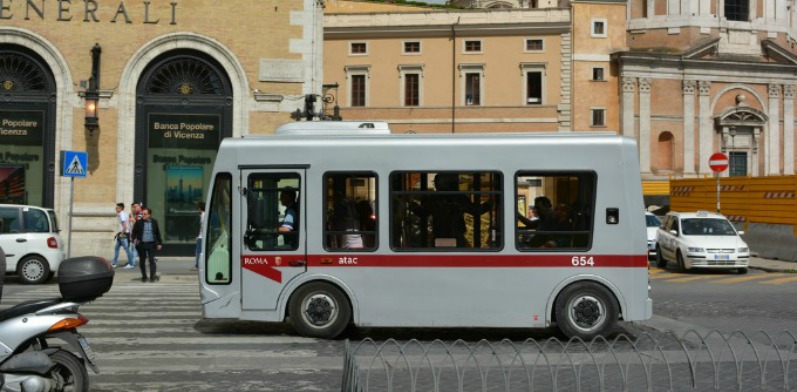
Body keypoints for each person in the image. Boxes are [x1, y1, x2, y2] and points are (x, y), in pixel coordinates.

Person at [132, 207, 163, 283]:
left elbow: (157, 233)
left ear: (149, 215)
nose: (143, 215)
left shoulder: (154, 222)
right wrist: (135, 239)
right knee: (142, 261)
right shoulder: (138, 222)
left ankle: (152, 276)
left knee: (152, 261)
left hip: (151, 244)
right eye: (142, 214)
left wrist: (159, 243)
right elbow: (134, 233)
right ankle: (144, 276)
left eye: (145, 214)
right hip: (142, 244)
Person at [112, 202, 135, 269]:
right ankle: (114, 263)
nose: (116, 209)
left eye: (117, 208)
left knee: (127, 250)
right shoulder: (125, 214)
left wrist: (121, 234)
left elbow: (125, 226)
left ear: (120, 208)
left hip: (123, 235)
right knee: (116, 248)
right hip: (123, 234)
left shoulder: (121, 215)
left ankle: (131, 264)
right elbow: (129, 224)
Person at [194, 202, 205, 271]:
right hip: (203, 236)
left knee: (198, 251)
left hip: (201, 237)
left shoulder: (202, 216)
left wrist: (197, 236)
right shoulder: (206, 215)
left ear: (200, 208)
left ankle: (198, 264)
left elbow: (200, 227)